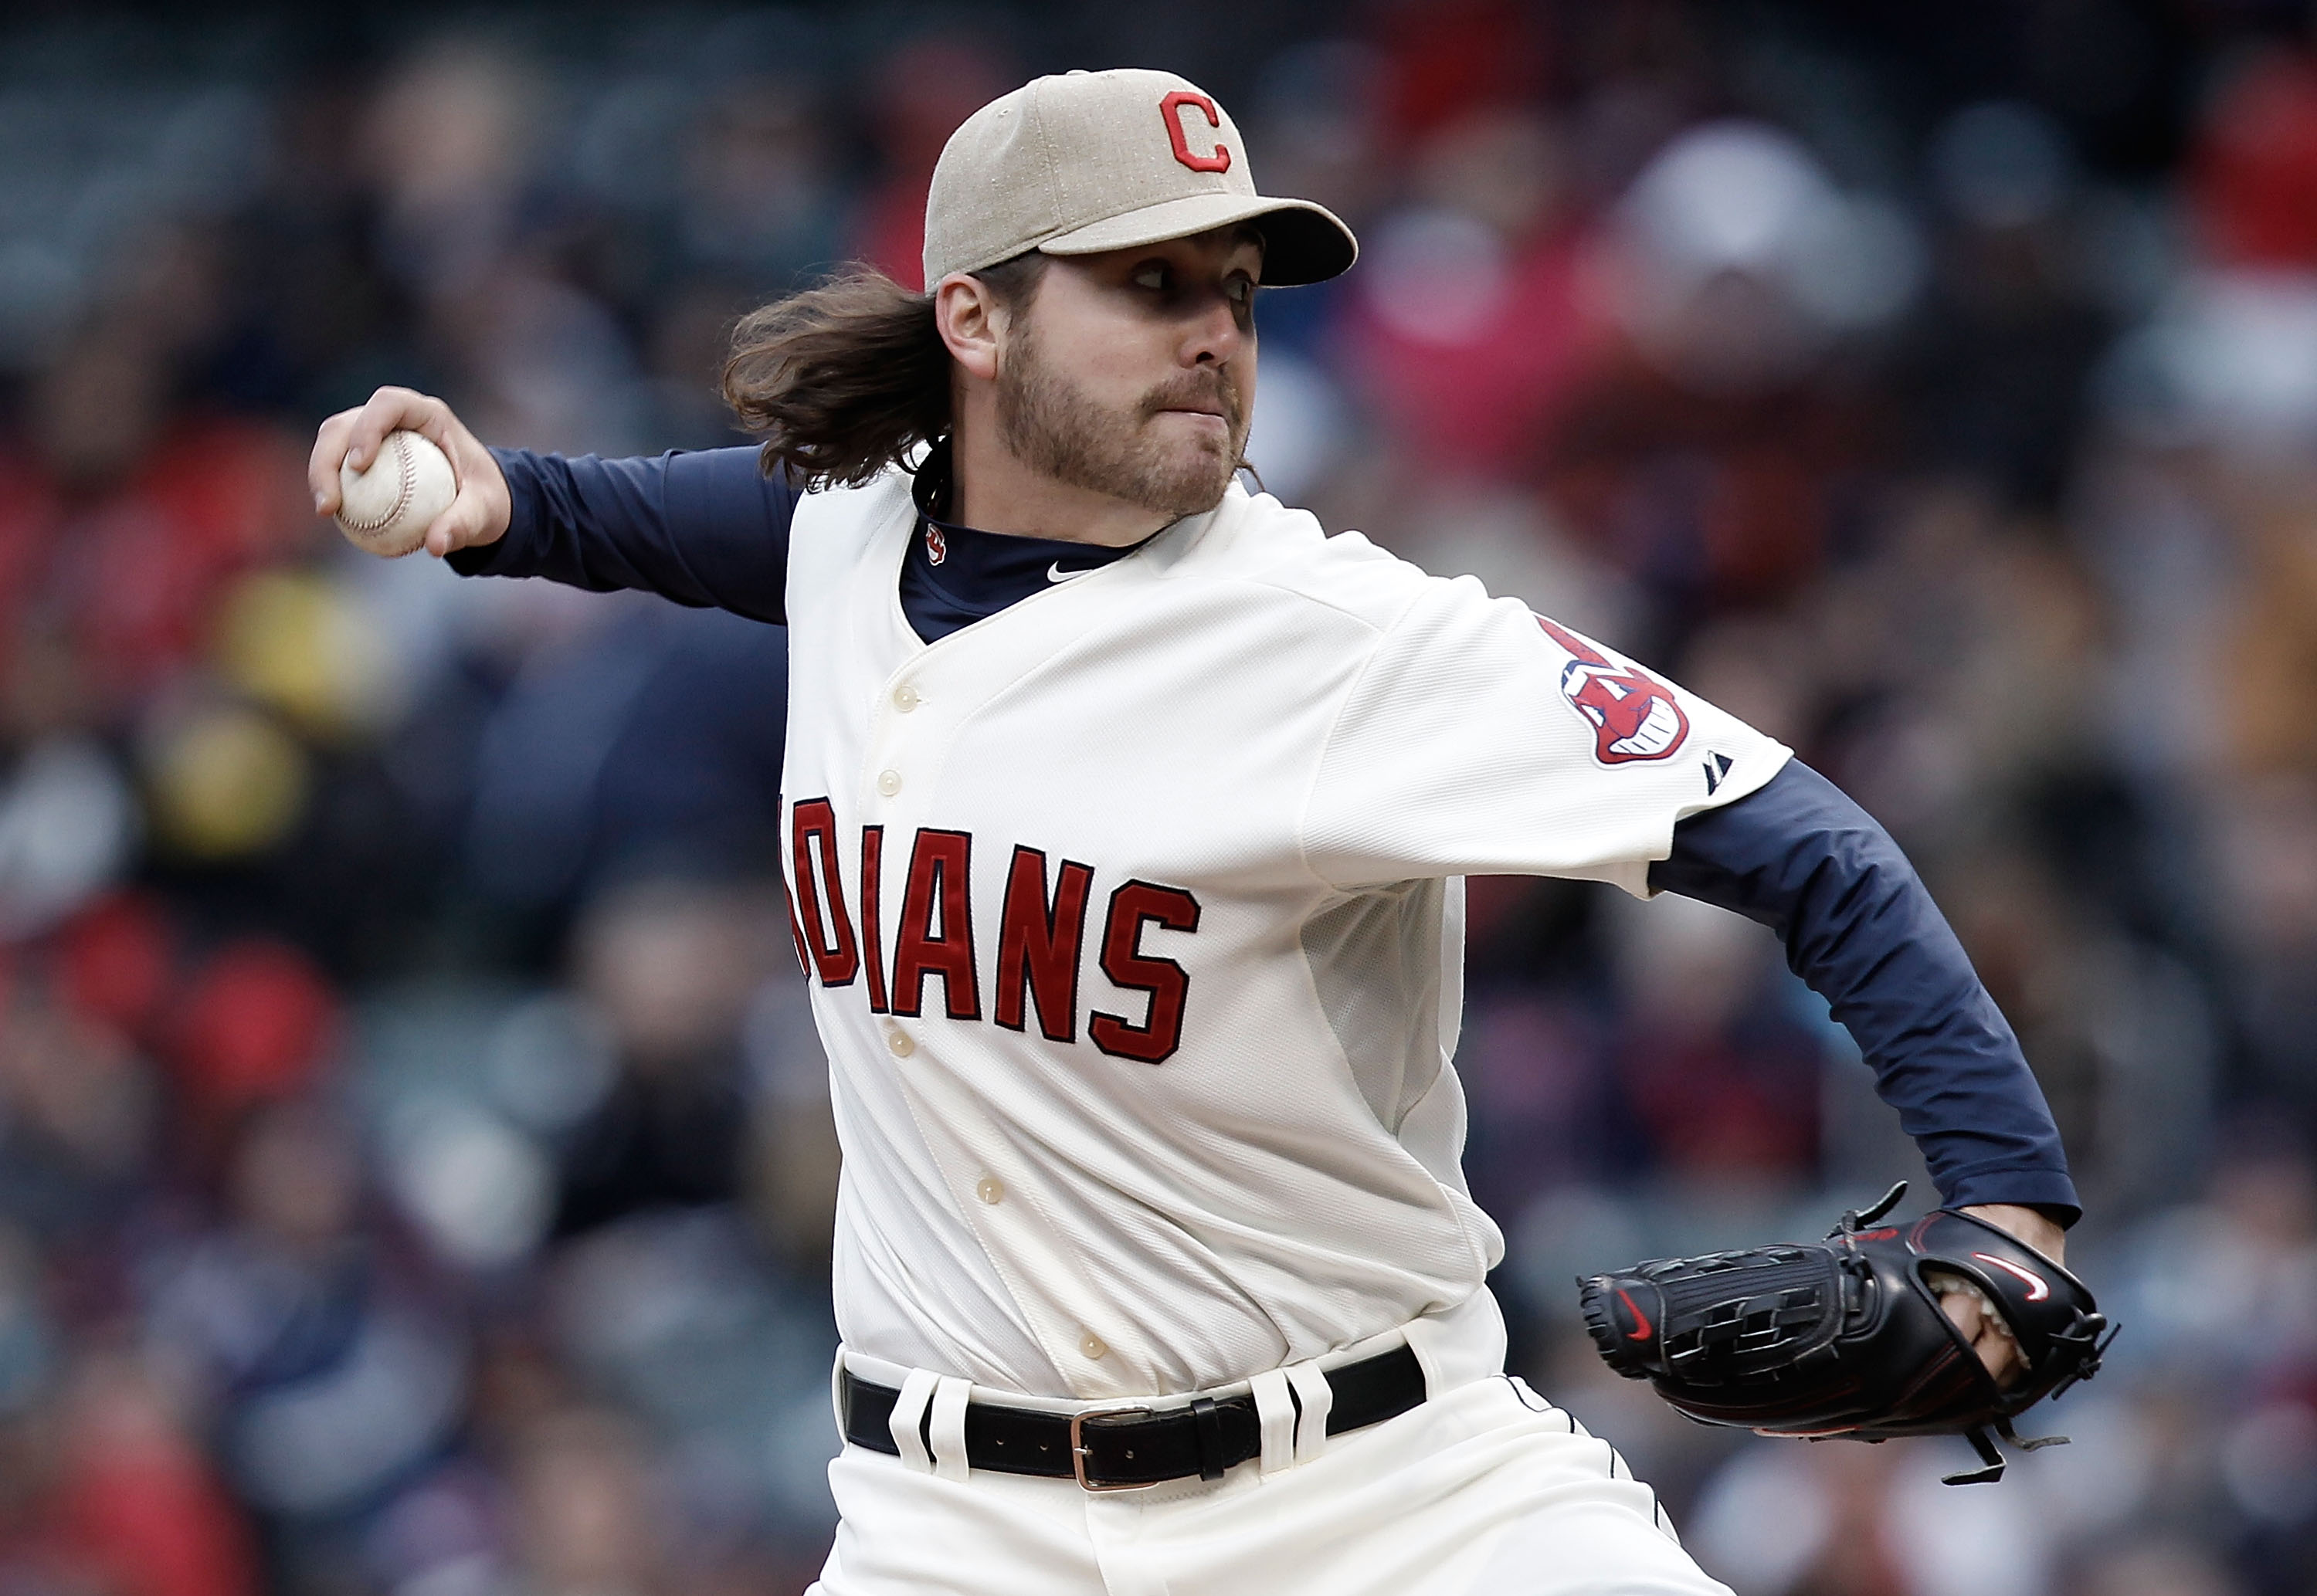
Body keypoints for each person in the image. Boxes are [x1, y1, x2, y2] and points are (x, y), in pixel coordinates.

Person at [311, 68, 2079, 1596]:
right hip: (954, 1521)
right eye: (1148, 284)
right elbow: (678, 517)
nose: (1214, 333)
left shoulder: (1340, 641)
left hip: (1385, 1497)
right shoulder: (853, 535)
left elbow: (1805, 841)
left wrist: (2009, 1198)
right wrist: (499, 501)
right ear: (975, 321)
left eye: (1232, 288)